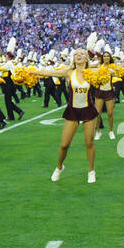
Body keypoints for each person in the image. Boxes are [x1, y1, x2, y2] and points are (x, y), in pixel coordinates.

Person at [38, 48, 100, 183]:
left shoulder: (92, 72)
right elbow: (49, 72)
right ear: (73, 58)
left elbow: (108, 71)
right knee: (64, 145)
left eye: (82, 54)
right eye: (76, 54)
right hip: (72, 110)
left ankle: (91, 171)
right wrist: (34, 72)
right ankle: (59, 167)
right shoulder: (68, 72)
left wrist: (113, 70)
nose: (79, 56)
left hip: (88, 110)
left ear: (86, 58)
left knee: (89, 142)